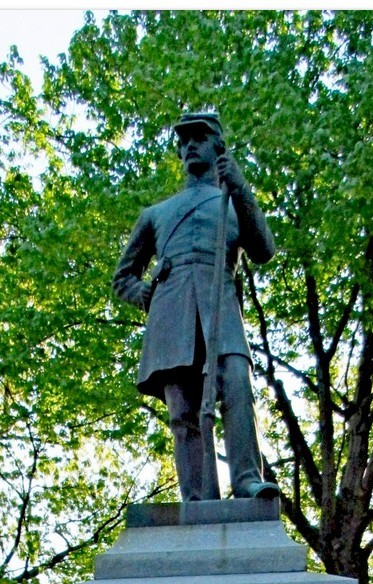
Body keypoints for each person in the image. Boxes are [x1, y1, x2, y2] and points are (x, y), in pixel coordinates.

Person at [113, 109, 280, 507]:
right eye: (184, 141)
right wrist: (143, 294)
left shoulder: (233, 202)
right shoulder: (155, 214)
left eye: (199, 138)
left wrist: (241, 188)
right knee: (183, 410)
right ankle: (199, 496)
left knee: (236, 383)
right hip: (171, 314)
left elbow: (263, 251)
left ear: (217, 146)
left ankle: (246, 480)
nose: (189, 146)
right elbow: (123, 277)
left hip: (219, 301)